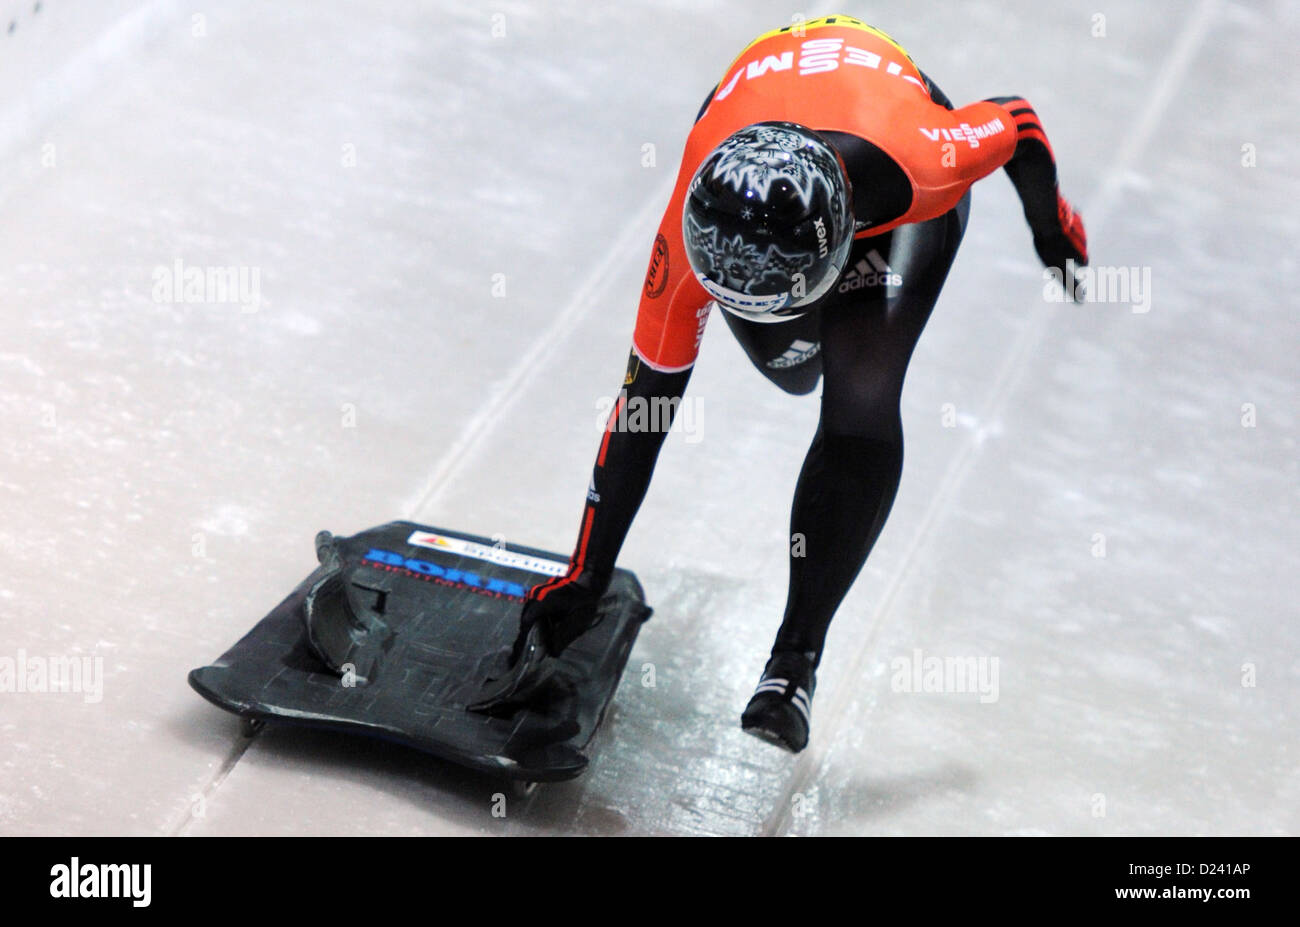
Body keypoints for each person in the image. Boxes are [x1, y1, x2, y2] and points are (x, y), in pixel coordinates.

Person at [472, 15, 1088, 752]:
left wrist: (1049, 225)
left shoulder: (922, 161)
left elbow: (1016, 122)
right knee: (793, 364)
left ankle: (794, 662)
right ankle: (789, 323)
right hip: (769, 131)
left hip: (881, 153)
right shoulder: (691, 227)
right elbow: (644, 405)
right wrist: (584, 573)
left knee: (860, 392)